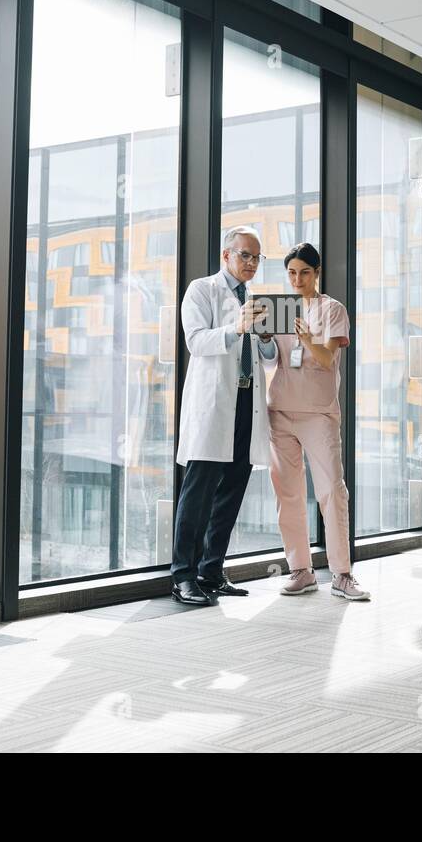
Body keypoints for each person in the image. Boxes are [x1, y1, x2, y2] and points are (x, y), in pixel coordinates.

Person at [171, 225, 276, 606]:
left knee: (231, 492)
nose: (251, 262)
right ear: (226, 256)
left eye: (256, 257)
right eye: (244, 255)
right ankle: (183, 575)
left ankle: (211, 571)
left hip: (247, 403)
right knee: (197, 493)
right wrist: (238, 326)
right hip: (214, 406)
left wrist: (265, 338)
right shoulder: (201, 290)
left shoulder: (254, 297)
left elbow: (269, 358)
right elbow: (196, 341)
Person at [266, 243, 368, 601]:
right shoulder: (279, 310)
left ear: (317, 272)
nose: (297, 279)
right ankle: (301, 570)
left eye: (304, 272)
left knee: (331, 491)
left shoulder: (333, 309)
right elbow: (270, 360)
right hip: (279, 411)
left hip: (319, 413)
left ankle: (342, 574)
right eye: (292, 272)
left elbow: (327, 360)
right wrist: (265, 338)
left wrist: (307, 338)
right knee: (288, 493)